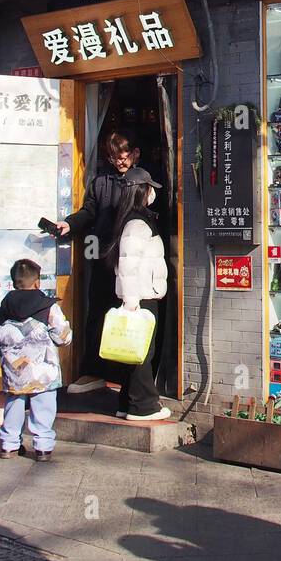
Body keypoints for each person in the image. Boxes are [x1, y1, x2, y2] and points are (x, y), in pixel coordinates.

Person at [56, 128, 142, 394]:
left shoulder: (144, 180)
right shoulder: (100, 182)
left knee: (130, 318)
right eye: (115, 156)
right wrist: (69, 224)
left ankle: (128, 378)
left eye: (124, 155)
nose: (120, 161)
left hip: (134, 260)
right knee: (98, 313)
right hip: (104, 258)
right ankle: (94, 370)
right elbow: (89, 211)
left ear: (136, 153)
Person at [106, 168, 171, 422]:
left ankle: (127, 402)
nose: (153, 192)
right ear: (141, 190)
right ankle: (144, 406)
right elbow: (127, 264)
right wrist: (131, 301)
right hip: (140, 296)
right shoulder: (136, 224)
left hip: (142, 294)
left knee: (133, 351)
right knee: (142, 352)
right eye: (150, 188)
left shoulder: (135, 219)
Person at [0, 259, 72, 462]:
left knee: (14, 405)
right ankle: (43, 447)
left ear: (13, 283)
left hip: (14, 372)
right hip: (43, 371)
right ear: (37, 282)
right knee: (43, 406)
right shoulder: (49, 308)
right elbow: (63, 338)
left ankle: (9, 445)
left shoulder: (1, 311)